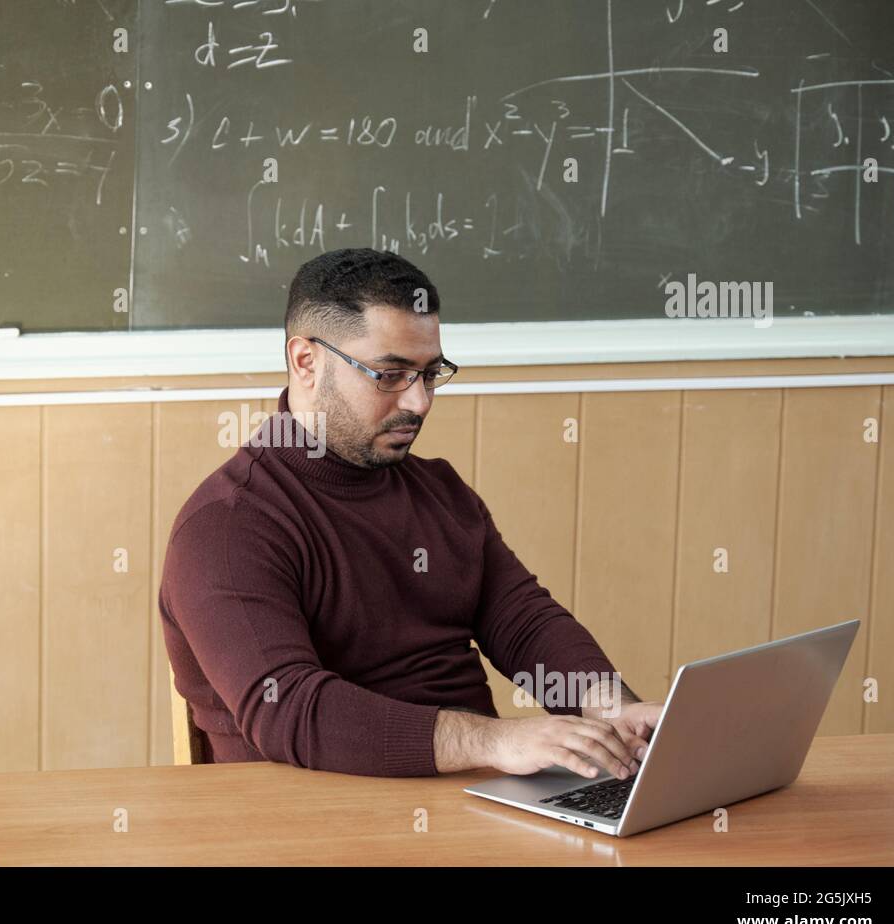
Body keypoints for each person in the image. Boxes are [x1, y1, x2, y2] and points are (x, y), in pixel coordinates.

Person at [159, 248, 662, 777]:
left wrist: (615, 712)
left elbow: (525, 623)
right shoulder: (226, 525)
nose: (419, 402)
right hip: (309, 823)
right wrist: (493, 742)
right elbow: (291, 711)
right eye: (390, 374)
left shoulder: (440, 491)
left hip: (466, 803)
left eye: (430, 373)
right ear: (307, 362)